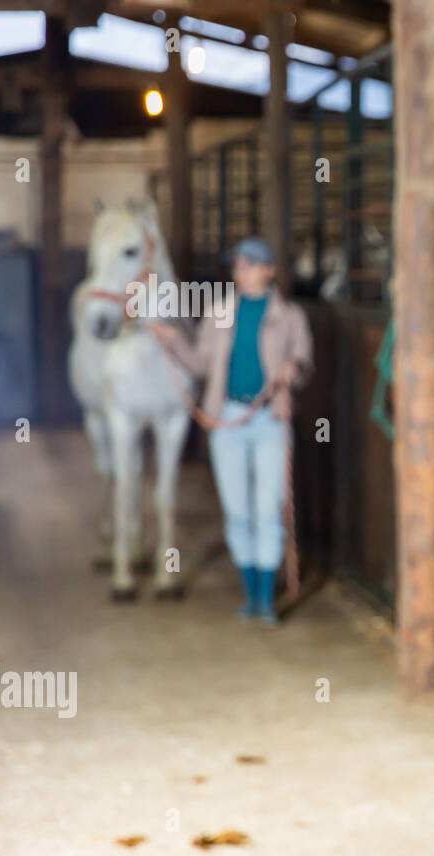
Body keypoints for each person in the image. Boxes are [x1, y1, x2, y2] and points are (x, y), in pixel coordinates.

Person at [151, 237, 313, 626]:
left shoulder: (289, 316)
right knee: (238, 509)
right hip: (228, 419)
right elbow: (202, 365)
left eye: (250, 264)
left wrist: (293, 369)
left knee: (267, 509)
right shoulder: (220, 312)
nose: (241, 271)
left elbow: (304, 362)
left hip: (269, 419)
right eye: (238, 265)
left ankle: (265, 599)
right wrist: (173, 342)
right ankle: (251, 595)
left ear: (269, 270)